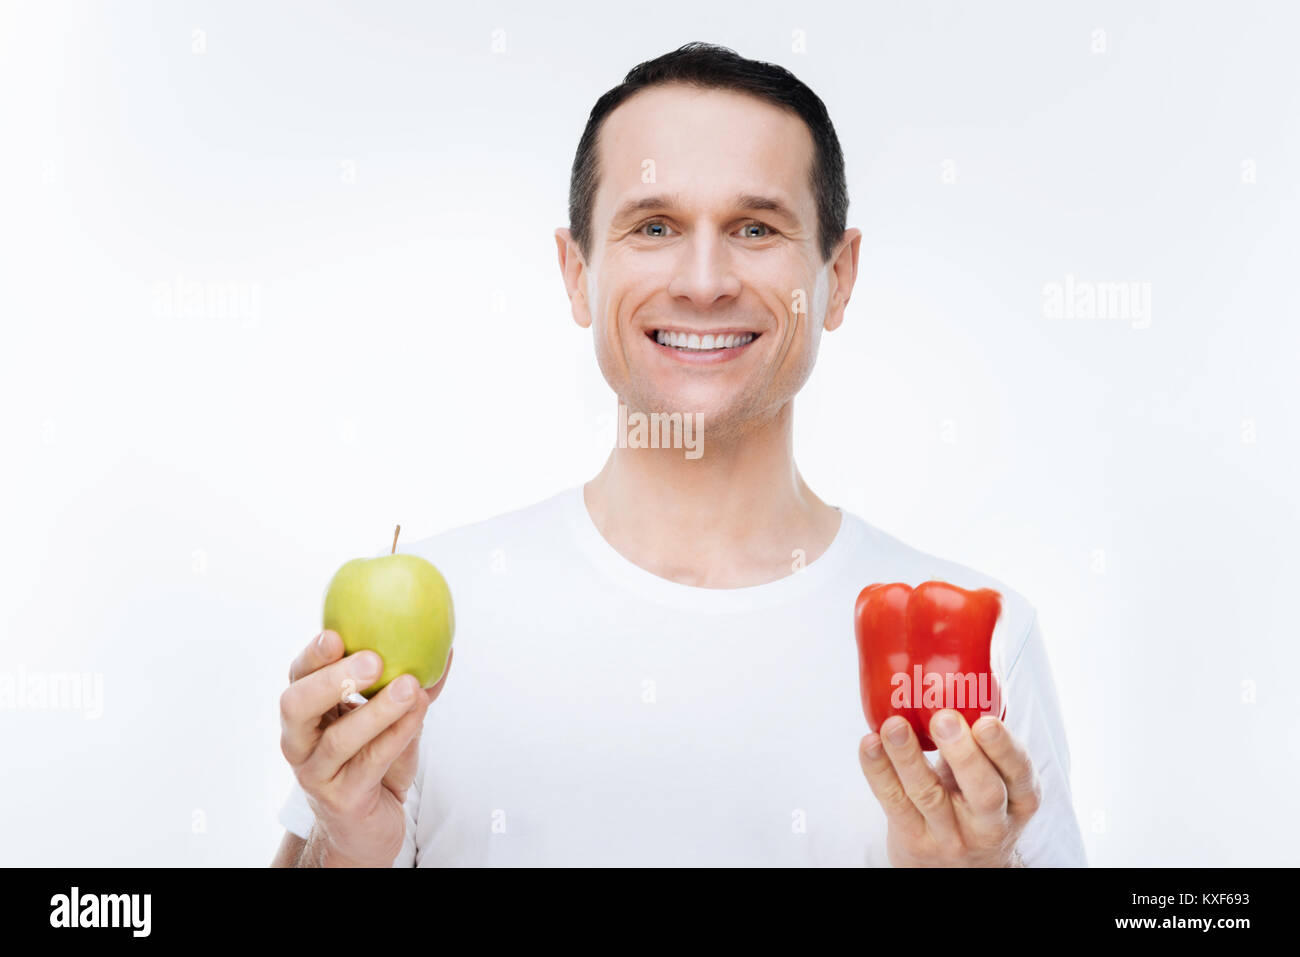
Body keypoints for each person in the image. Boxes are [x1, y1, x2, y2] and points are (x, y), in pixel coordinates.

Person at [272, 42, 1086, 867]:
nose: (704, 281)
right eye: (655, 226)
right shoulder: (439, 626)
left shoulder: (975, 642)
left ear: (837, 277)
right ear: (574, 269)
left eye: (756, 228)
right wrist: (347, 841)